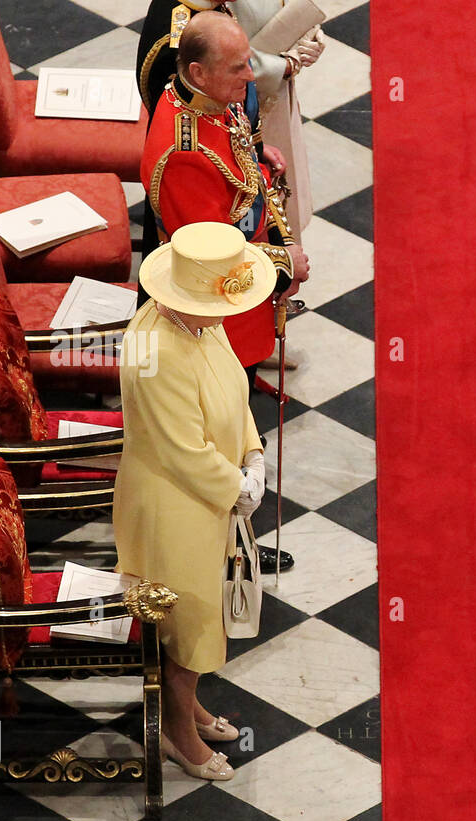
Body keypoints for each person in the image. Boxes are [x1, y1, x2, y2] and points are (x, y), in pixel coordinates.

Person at [142, 9, 308, 572]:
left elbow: (235, 161)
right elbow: (207, 264)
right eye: (238, 69)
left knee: (236, 418)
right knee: (220, 436)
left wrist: (259, 162)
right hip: (212, 318)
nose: (250, 78)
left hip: (236, 306)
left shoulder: (212, 98)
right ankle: (225, 547)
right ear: (196, 70)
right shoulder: (185, 153)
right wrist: (285, 262)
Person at [115, 221, 278, 780]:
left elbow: (235, 387)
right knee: (189, 621)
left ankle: (189, 709)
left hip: (206, 494)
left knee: (200, 618)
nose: (228, 315)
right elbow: (184, 451)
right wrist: (239, 485)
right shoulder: (153, 353)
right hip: (172, 509)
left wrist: (253, 453)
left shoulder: (201, 322)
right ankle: (177, 734)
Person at [230, 1, 326, 238]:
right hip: (241, 104)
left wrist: (309, 35)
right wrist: (284, 65)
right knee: (253, 210)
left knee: (283, 194)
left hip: (279, 96)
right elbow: (213, 49)